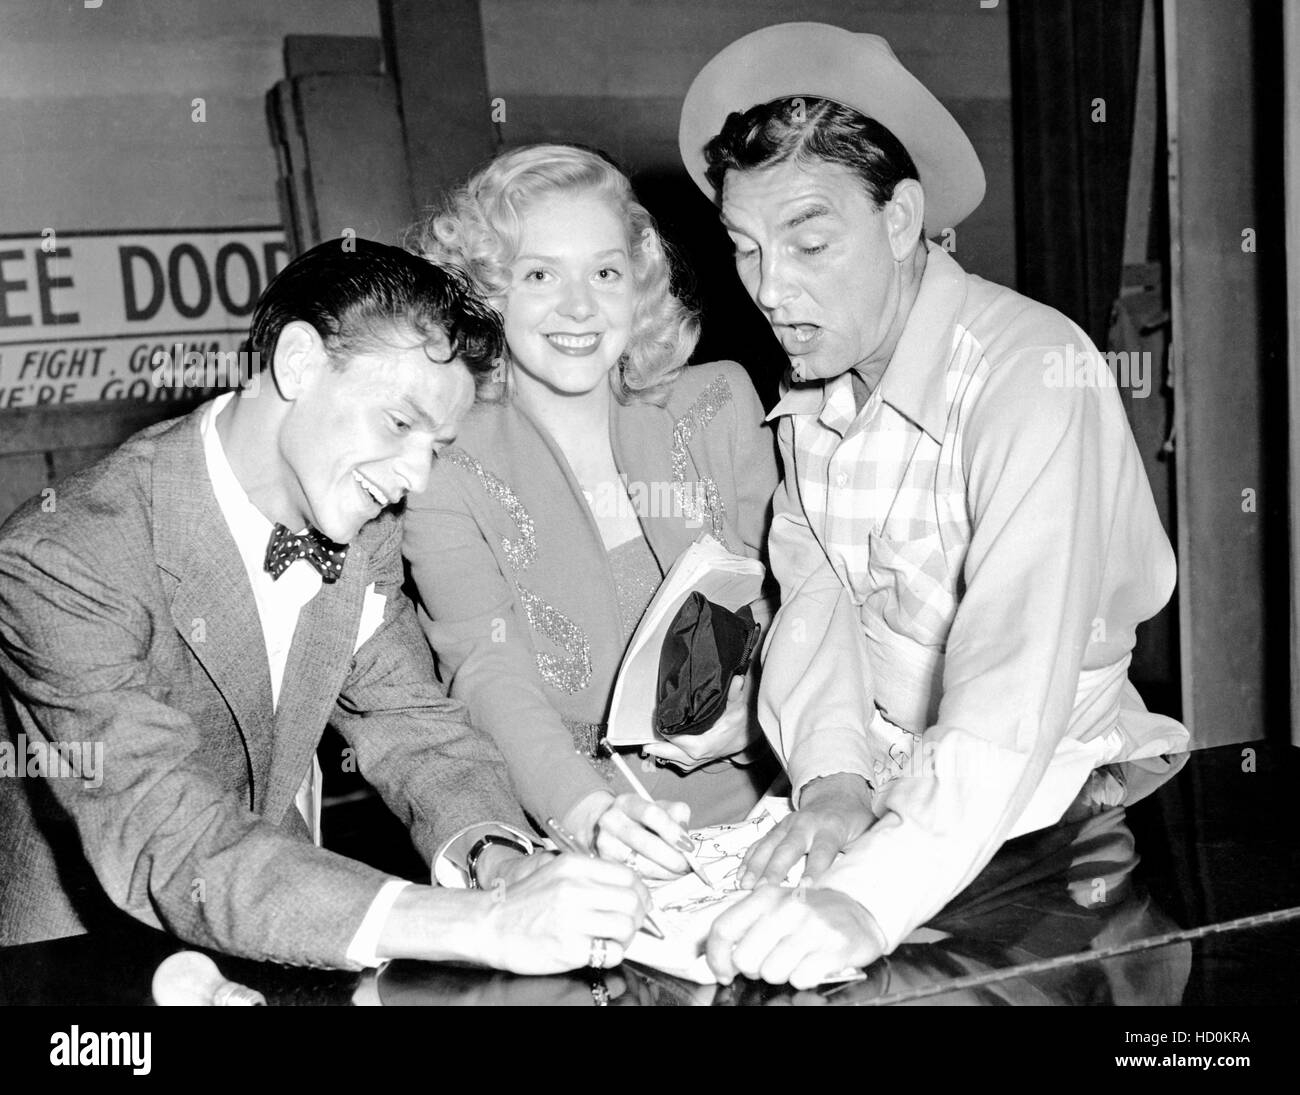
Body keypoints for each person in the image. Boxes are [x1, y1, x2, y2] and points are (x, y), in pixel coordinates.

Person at [674, 23, 1189, 986]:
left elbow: (1013, 670)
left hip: (1046, 807)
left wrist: (868, 894)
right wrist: (831, 784)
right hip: (880, 782)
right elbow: (817, 596)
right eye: (745, 249)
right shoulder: (811, 393)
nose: (771, 289)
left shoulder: (1035, 370)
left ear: (903, 219)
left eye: (810, 241)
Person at [0, 239, 651, 974]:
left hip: (286, 928)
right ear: (299, 362)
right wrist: (479, 922)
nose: (415, 476)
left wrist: (496, 861)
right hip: (84, 961)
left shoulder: (360, 526)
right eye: (399, 424)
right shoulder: (63, 557)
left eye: (436, 445)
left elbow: (413, 723)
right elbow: (169, 835)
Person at [405, 144, 781, 876]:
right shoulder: (442, 464)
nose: (579, 307)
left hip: (771, 813)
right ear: (486, 289)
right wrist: (587, 814)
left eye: (605, 272)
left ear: (638, 284)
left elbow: (799, 594)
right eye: (539, 273)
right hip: (580, 840)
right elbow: (486, 670)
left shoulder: (721, 401)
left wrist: (766, 702)